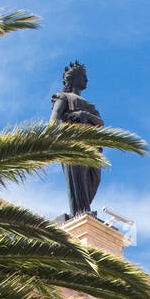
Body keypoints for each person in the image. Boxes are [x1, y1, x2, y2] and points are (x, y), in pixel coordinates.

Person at [49, 62, 103, 218]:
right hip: (73, 144)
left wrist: (84, 116)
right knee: (78, 179)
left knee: (94, 180)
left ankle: (84, 210)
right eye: (83, 76)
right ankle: (80, 212)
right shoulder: (63, 97)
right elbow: (53, 121)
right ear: (74, 78)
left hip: (92, 148)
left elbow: (100, 123)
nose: (86, 79)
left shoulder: (89, 105)